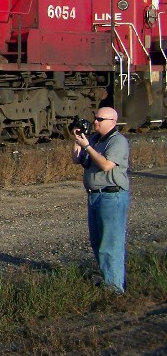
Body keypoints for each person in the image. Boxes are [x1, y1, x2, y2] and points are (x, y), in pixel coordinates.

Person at [72, 106, 130, 292]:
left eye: (100, 119)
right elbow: (76, 159)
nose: (95, 122)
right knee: (98, 242)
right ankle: (109, 281)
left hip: (111, 196)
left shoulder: (118, 141)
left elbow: (106, 165)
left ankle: (115, 289)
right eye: (95, 118)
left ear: (112, 122)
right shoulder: (96, 139)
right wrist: (77, 140)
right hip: (95, 196)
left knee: (110, 244)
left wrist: (87, 146)